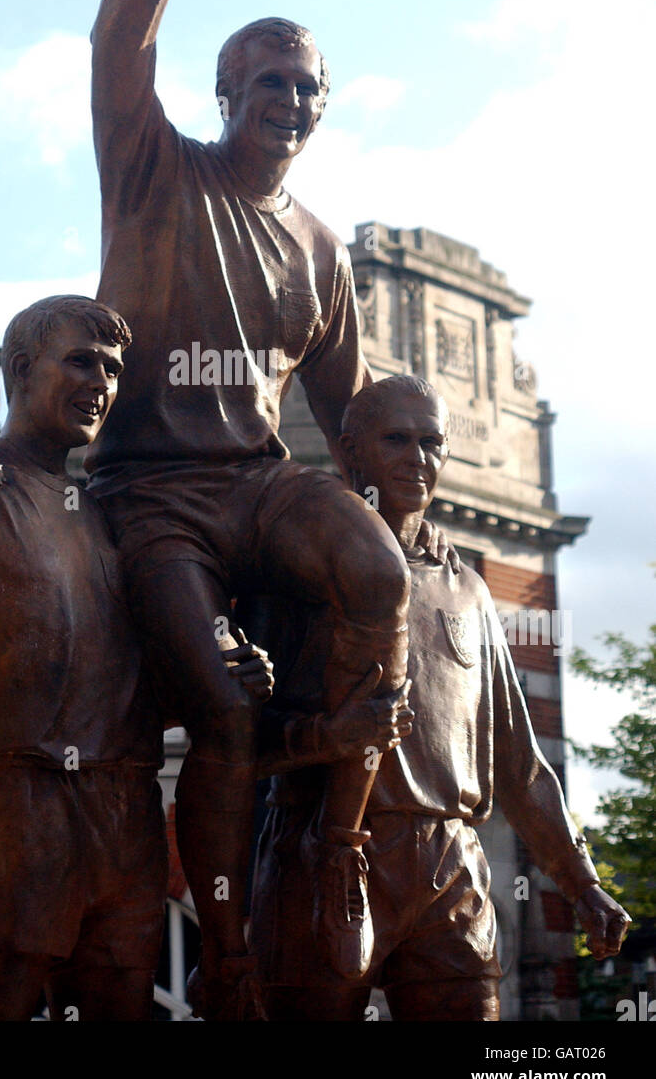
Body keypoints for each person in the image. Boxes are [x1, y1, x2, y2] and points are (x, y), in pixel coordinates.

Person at [84, 0, 433, 1015]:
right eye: (269, 81)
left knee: (381, 574)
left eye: (308, 87)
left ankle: (333, 832)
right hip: (152, 492)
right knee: (222, 716)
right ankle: (223, 946)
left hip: (258, 482)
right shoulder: (152, 173)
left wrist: (403, 487)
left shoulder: (323, 247)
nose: (290, 100)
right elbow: (116, 34)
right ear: (227, 94)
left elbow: (345, 412)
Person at [251, 375, 631, 1020]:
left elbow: (519, 763)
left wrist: (581, 880)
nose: (417, 458)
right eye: (396, 439)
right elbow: (230, 737)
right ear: (349, 449)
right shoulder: (294, 570)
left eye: (432, 442)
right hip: (324, 853)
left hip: (451, 859)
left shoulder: (471, 591)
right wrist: (325, 737)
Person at [0, 295, 272, 1021]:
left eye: (114, 370)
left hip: (127, 814)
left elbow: (127, 681)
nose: (100, 383)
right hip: (10, 804)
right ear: (21, 369)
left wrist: (221, 679)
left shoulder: (115, 517)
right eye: (81, 362)